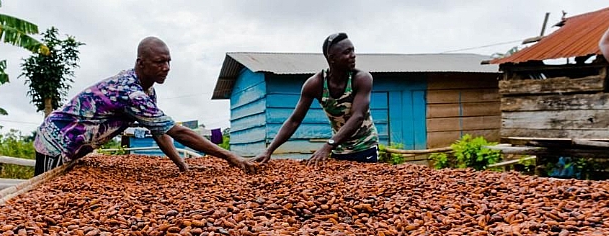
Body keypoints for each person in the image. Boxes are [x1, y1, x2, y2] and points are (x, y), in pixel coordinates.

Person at [33, 36, 256, 175]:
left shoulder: (148, 92)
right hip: (57, 141)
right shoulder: (131, 93)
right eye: (160, 62)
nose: (167, 67)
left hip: (77, 144)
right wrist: (230, 156)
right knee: (45, 187)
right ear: (141, 63)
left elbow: (160, 132)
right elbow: (177, 131)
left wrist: (182, 166)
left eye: (168, 61)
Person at [252, 32, 379, 165]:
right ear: (332, 58)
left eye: (353, 50)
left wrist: (328, 146)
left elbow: (357, 117)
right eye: (347, 52)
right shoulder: (315, 84)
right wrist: (269, 150)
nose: (353, 55)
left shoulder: (361, 79)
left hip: (365, 147)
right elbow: (294, 120)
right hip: (339, 149)